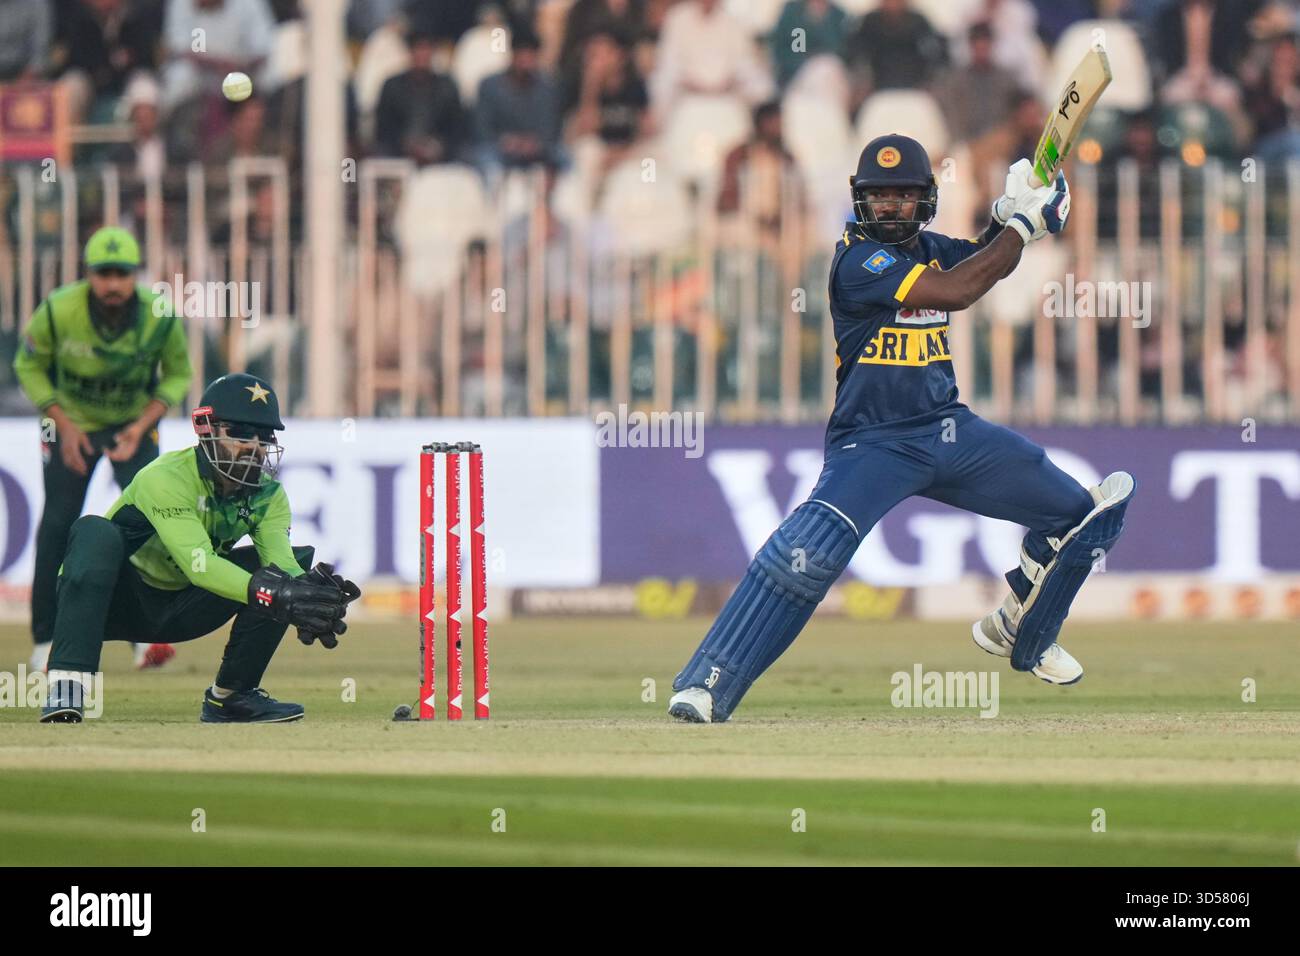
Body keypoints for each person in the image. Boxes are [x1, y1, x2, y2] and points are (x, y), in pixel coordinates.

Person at [667, 134, 1136, 723]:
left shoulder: (931, 248)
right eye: (879, 195)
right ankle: (707, 684)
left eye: (904, 195)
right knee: (803, 558)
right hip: (874, 444)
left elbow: (979, 260)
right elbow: (961, 289)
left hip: (947, 430)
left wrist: (1011, 215)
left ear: (926, 200)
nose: (890, 206)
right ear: (859, 201)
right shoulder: (858, 262)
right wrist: (1021, 227)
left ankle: (1022, 624)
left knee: (1082, 517)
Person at [39, 373, 360, 723]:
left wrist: (306, 592)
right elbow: (199, 563)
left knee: (287, 573)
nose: (253, 446)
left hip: (184, 608)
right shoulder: (165, 477)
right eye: (239, 433)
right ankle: (66, 687)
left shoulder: (269, 496)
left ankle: (232, 698)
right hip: (110, 603)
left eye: (263, 437)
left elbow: (280, 563)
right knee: (94, 532)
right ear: (206, 430)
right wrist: (276, 593)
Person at [14, 226, 192, 674]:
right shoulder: (58, 310)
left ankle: (144, 639)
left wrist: (140, 426)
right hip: (68, 424)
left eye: (122, 273)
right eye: (103, 273)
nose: (113, 284)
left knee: (147, 526)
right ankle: (45, 641)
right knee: (58, 524)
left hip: (132, 424)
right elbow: (28, 364)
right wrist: (62, 422)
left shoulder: (159, 316)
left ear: (134, 275)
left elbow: (177, 375)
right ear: (89, 274)